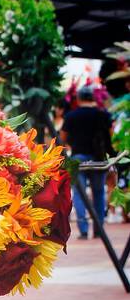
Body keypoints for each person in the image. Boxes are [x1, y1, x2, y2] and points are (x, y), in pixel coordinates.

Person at [61, 85, 114, 239]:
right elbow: (110, 135)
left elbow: (62, 138)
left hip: (78, 158)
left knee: (79, 194)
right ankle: (99, 229)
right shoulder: (103, 115)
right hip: (98, 159)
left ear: (78, 99)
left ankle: (83, 230)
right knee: (98, 193)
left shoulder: (71, 116)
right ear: (93, 98)